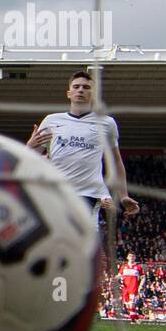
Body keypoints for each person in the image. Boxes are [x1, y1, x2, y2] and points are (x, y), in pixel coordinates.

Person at [26, 69, 139, 225]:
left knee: (81, 241)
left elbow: (116, 162)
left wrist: (123, 195)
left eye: (86, 87)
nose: (80, 90)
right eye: (76, 86)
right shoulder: (51, 120)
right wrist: (30, 145)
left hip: (88, 194)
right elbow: (28, 159)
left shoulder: (106, 123)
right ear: (69, 93)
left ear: (93, 94)